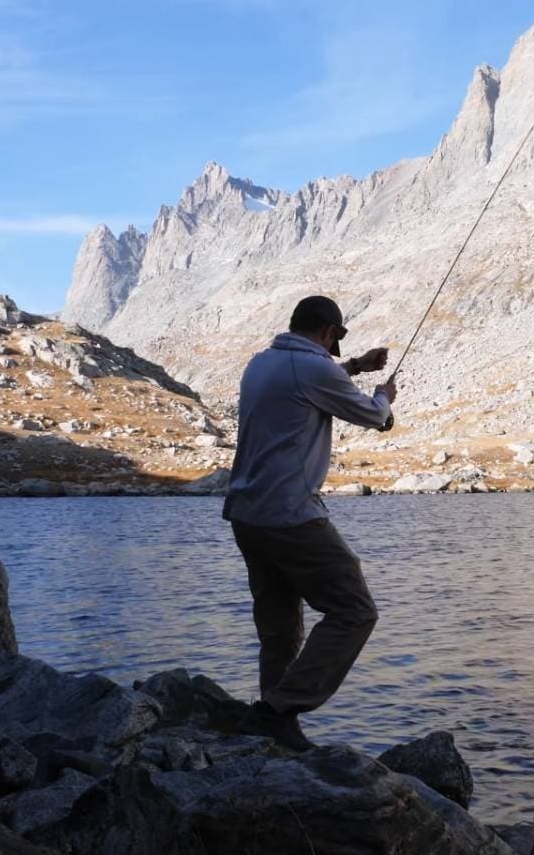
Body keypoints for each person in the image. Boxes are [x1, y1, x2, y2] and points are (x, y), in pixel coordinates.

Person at [224, 295, 396, 750]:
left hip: (246, 514)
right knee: (355, 610)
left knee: (279, 627)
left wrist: (356, 366)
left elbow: (309, 378)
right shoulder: (315, 369)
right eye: (338, 340)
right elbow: (375, 418)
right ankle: (280, 709)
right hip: (291, 515)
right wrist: (384, 395)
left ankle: (272, 732)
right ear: (328, 333)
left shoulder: (260, 363)